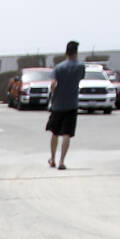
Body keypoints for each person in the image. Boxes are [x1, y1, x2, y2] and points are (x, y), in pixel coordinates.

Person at [46, 40, 86, 169]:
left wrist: (54, 92)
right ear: (76, 52)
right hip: (72, 104)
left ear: (66, 52)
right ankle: (62, 161)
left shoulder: (58, 68)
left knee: (54, 132)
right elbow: (80, 78)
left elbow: (52, 84)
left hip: (57, 105)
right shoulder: (80, 66)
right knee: (67, 134)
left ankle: (52, 159)